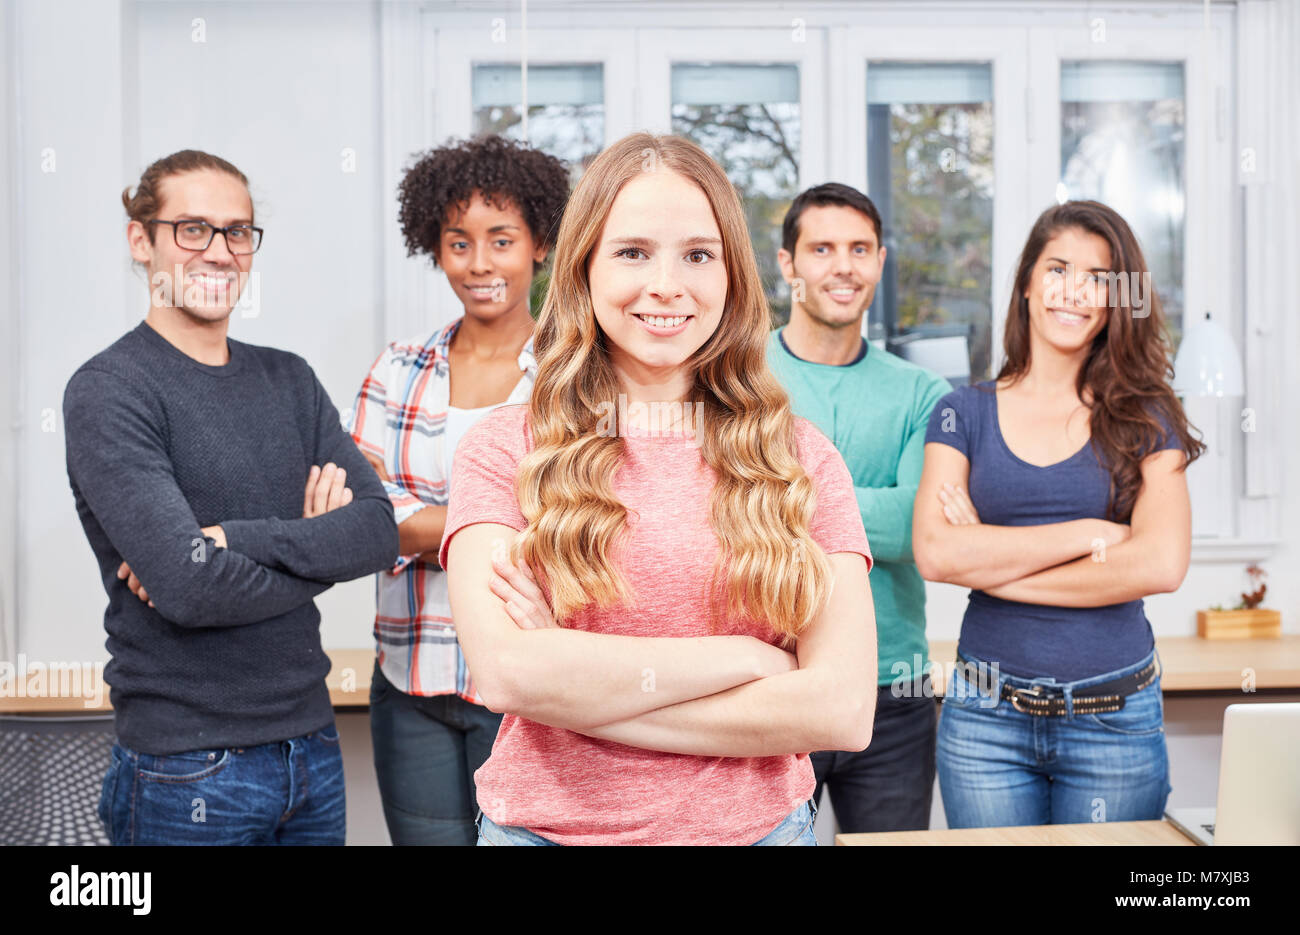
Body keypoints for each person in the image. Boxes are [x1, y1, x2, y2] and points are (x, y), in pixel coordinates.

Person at [438, 131, 877, 846]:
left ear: (732, 275)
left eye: (698, 255)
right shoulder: (504, 448)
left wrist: (574, 683)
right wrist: (748, 660)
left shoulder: (801, 458)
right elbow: (510, 673)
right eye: (633, 251)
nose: (667, 284)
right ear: (583, 268)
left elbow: (843, 709)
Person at [63, 150, 399, 845]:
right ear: (141, 239)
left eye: (237, 231)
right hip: (183, 767)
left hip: (311, 746)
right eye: (193, 229)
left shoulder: (290, 379)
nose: (219, 252)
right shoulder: (109, 390)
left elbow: (376, 531)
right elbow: (188, 587)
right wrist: (312, 549)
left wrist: (232, 540)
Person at [913, 200, 1204, 827]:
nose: (1074, 292)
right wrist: (1092, 534)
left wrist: (988, 561)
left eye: (1097, 277)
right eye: (1057, 269)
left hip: (1114, 721)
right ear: (1026, 283)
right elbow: (936, 553)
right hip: (984, 721)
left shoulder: (1148, 414)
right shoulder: (961, 412)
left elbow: (1159, 563)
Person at [347, 135, 571, 845]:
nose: (479, 264)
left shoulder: (577, 377)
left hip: (531, 683)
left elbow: (577, 528)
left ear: (538, 245)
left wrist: (422, 527)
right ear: (435, 247)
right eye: (458, 242)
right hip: (410, 676)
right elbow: (362, 520)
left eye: (501, 239)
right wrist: (494, 531)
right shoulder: (397, 369)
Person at [767, 183, 950, 833]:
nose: (843, 266)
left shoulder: (923, 391)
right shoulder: (736, 378)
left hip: (893, 689)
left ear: (879, 261)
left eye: (860, 249)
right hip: (773, 677)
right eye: (821, 248)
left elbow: (915, 527)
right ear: (788, 264)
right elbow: (722, 520)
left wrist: (782, 500)